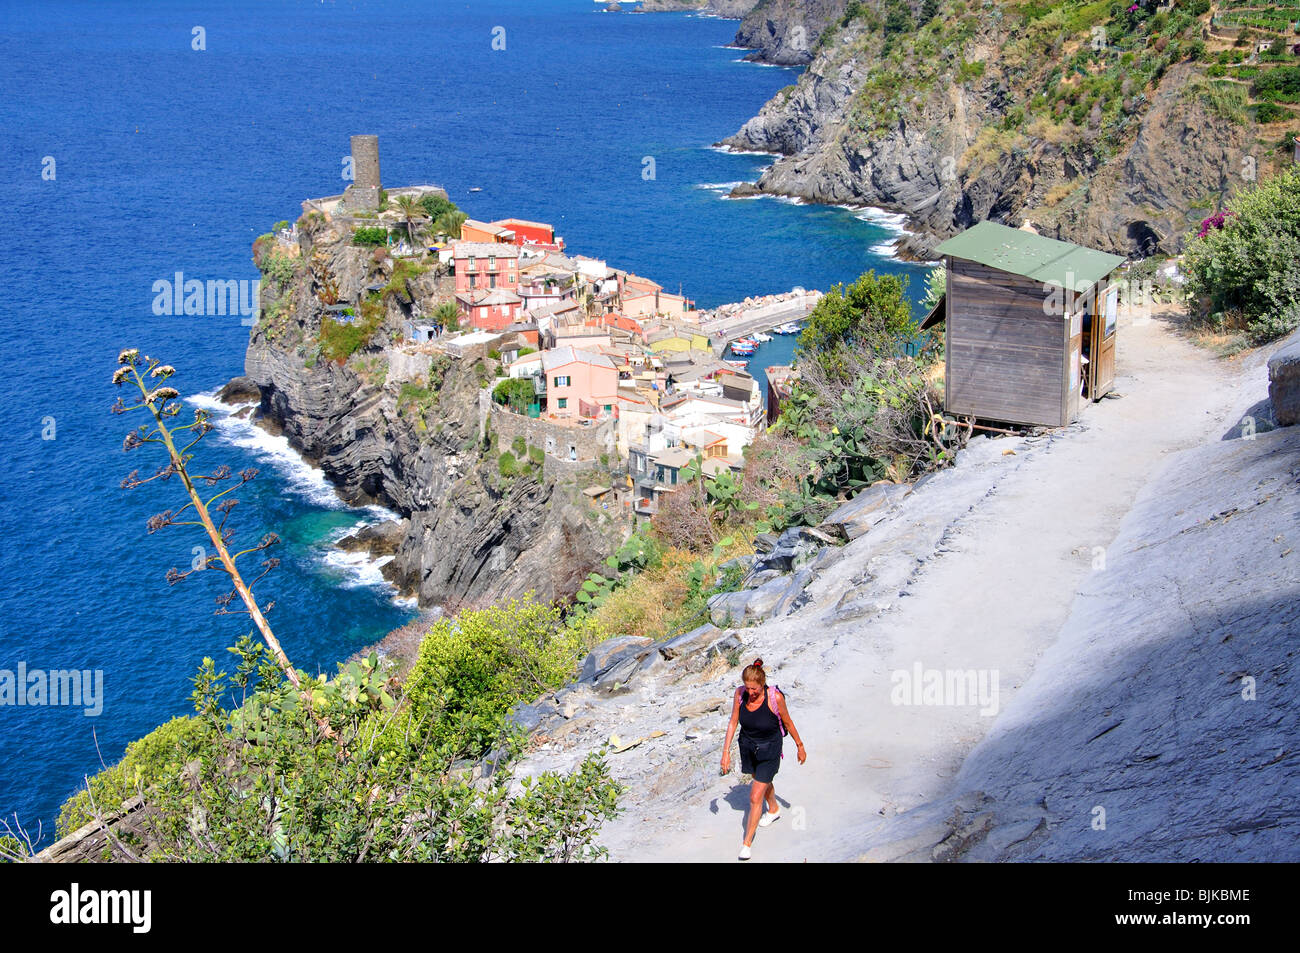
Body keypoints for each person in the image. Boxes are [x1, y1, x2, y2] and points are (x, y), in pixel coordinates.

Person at [720, 658, 806, 860]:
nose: (751, 693)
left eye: (754, 689)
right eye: (748, 688)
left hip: (770, 749)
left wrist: (800, 746)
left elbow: (788, 722)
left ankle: (746, 843)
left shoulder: (774, 697)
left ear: (762, 683)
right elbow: (733, 722)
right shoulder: (740, 694)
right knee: (761, 780)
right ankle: (774, 809)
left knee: (754, 796)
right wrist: (725, 752)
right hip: (748, 747)